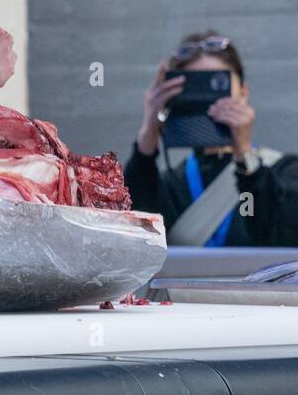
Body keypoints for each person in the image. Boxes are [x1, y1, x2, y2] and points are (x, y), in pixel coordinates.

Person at [126, 31, 298, 246]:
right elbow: (134, 233)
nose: (208, 101)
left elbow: (276, 236)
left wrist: (244, 155)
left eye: (218, 84)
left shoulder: (284, 172)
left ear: (243, 94)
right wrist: (149, 130)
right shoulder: (172, 183)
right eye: (194, 87)